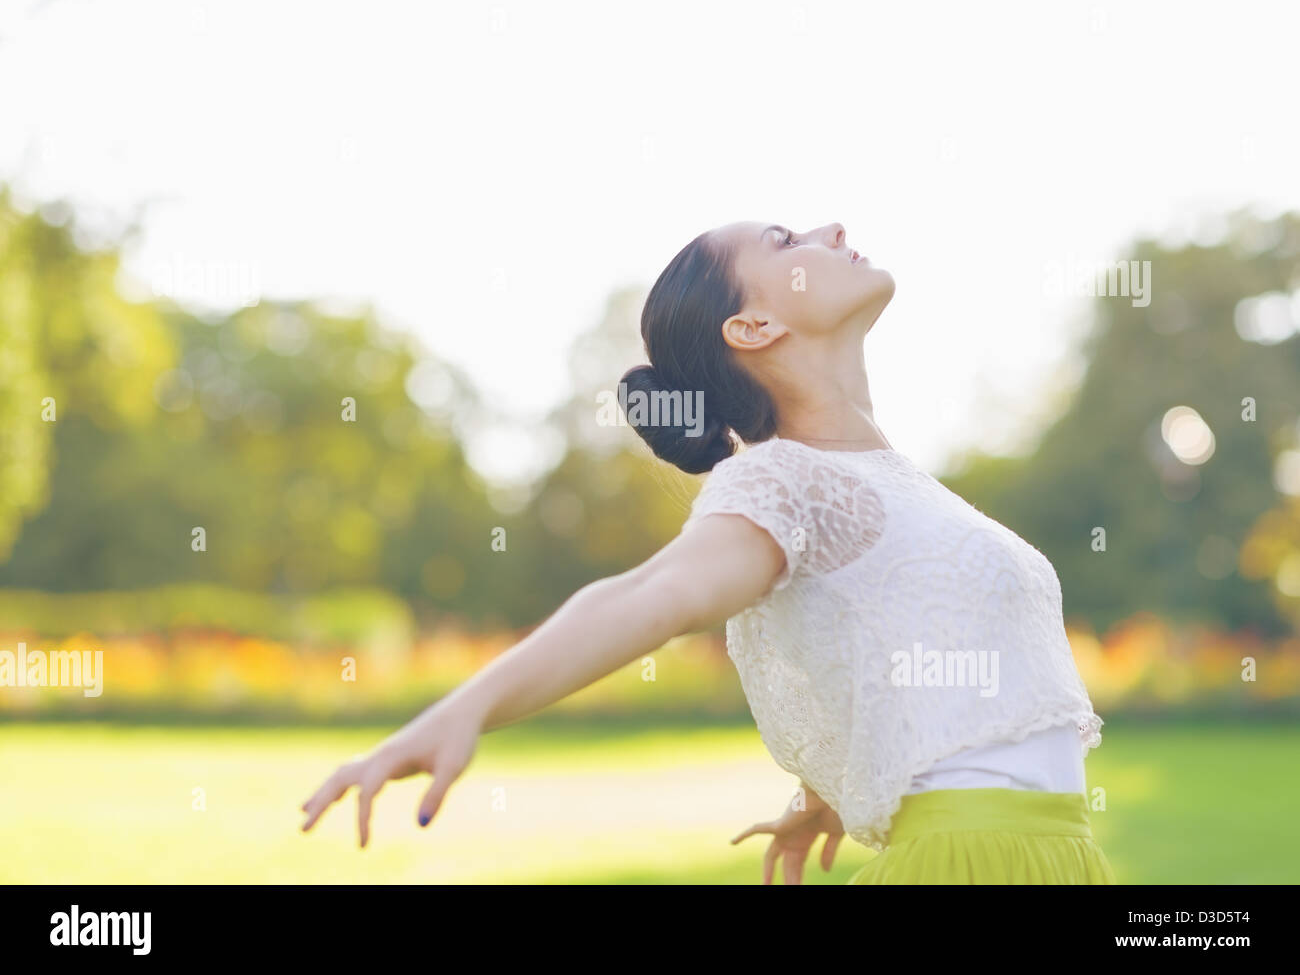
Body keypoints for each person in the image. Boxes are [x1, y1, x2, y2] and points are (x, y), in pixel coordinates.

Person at [300, 220, 1117, 885]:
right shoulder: (782, 478)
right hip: (968, 864)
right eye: (787, 239)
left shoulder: (889, 481)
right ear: (753, 325)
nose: (830, 228)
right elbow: (651, 593)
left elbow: (891, 635)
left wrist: (839, 784)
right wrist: (464, 709)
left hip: (1056, 856)